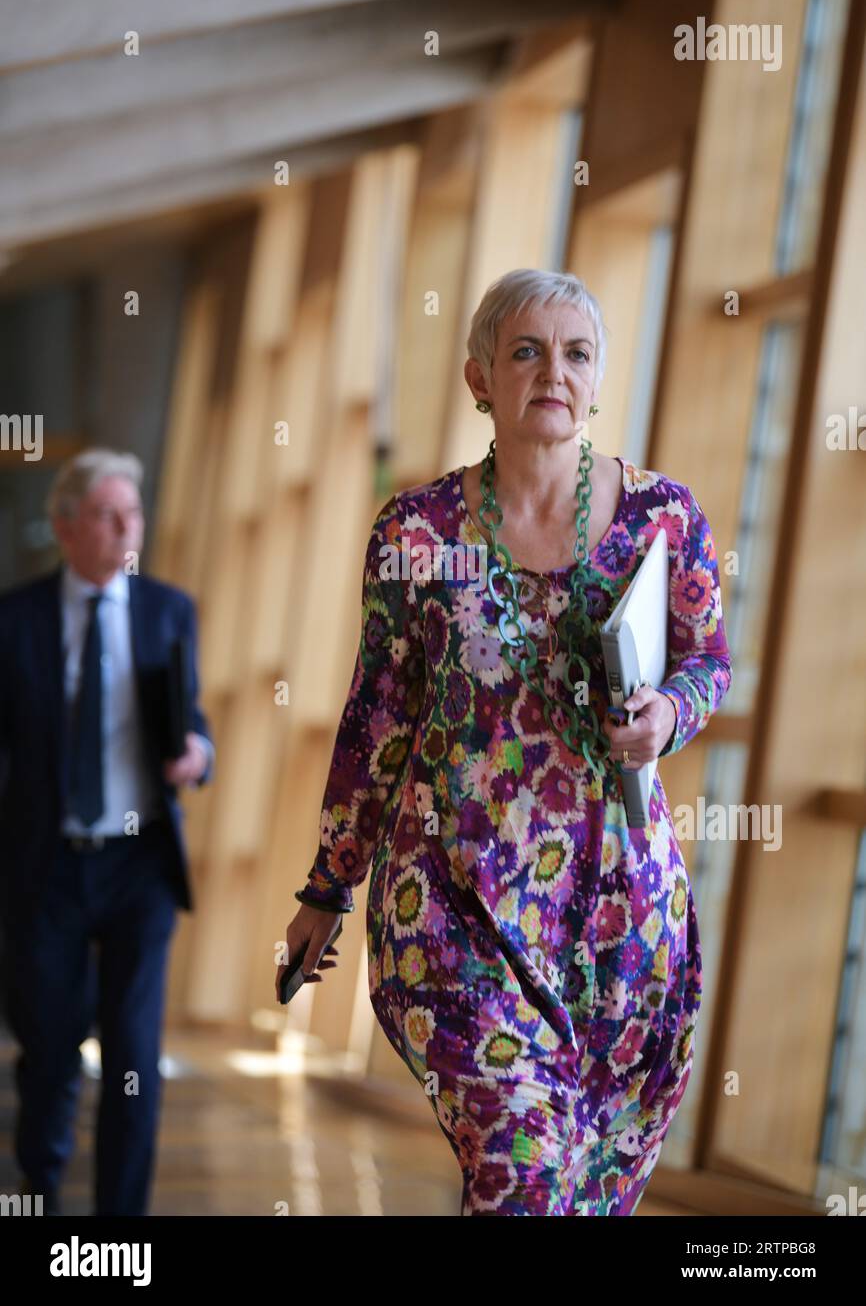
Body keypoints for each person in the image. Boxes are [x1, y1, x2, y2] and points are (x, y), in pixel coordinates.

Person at [279, 267, 732, 1215]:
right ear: (480, 377)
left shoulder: (666, 519)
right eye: (526, 351)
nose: (553, 372)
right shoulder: (416, 531)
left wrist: (667, 718)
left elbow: (710, 665)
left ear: (600, 378)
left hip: (620, 916)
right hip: (453, 907)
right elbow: (379, 721)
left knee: (582, 1189)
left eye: (576, 354)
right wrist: (330, 883)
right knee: (521, 1173)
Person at [0, 448, 214, 1217]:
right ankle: (41, 1191)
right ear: (64, 526)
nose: (129, 527)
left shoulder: (166, 610)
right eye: (108, 513)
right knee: (50, 1046)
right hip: (47, 864)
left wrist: (199, 753)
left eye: (135, 512)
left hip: (140, 867)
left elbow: (189, 721)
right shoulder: (14, 620)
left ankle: (120, 1232)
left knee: (132, 1054)